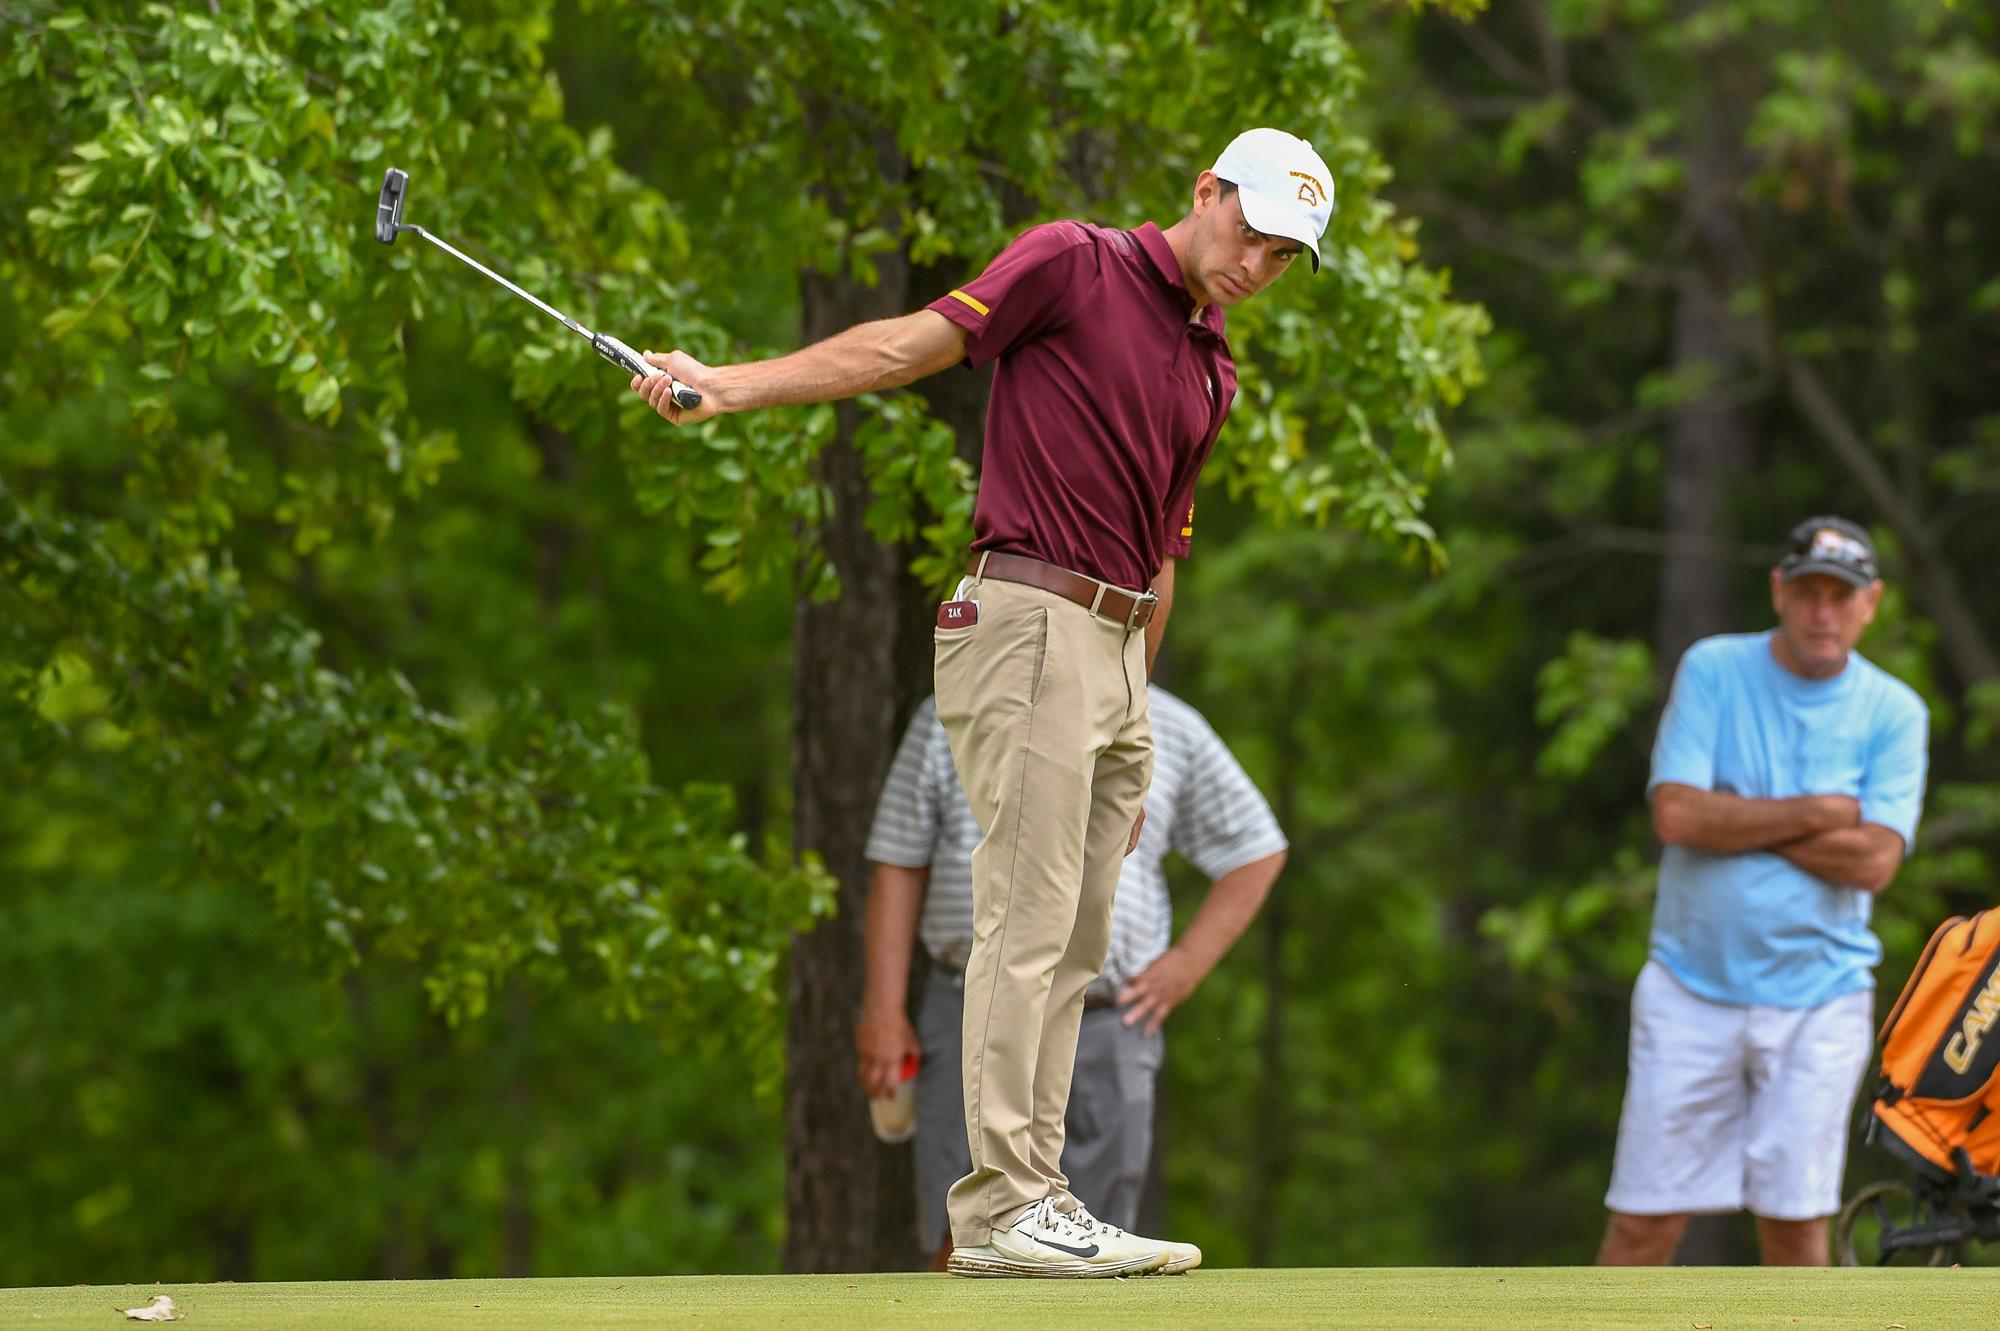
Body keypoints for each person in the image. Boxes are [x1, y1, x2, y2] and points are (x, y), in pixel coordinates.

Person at [634, 128, 1332, 1276]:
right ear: (1203, 192)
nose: (1256, 262)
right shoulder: (1073, 262)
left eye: (1281, 254)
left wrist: (1134, 698)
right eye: (1249, 231)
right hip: (1025, 615)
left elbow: (1164, 554)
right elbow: (903, 349)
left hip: (1114, 653)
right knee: (1025, 906)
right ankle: (1003, 1198)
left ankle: (1034, 1193)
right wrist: (728, 383)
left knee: (1079, 935)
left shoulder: (1214, 372)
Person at [856, 687, 1287, 1269]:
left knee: (1102, 1246)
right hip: (967, 1012)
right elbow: (900, 856)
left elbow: (1255, 847)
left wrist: (1185, 966)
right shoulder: (953, 709)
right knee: (966, 1237)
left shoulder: (1174, 726)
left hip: (1111, 1019)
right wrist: (883, 1008)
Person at [1597, 516, 1930, 1267]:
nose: (1823, 612)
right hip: (1688, 985)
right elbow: (1677, 813)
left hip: (1820, 997)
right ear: (1779, 590)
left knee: (1794, 1224)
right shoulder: (1713, 669)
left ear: (1870, 603)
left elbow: (1875, 860)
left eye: (1841, 597)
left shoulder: (1895, 712)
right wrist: (1820, 812)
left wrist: (1737, 814)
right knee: (1645, 1220)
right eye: (1808, 591)